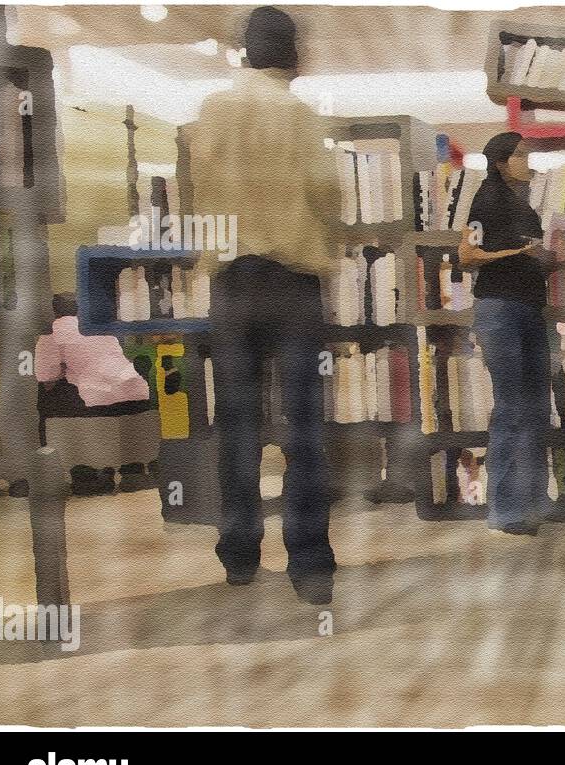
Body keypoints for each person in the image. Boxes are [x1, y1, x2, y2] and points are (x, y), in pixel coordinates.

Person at [186, 6, 340, 604]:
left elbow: (199, 190)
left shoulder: (211, 111)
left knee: (238, 427)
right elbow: (327, 193)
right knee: (304, 428)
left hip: (232, 285)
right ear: (293, 55)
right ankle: (309, 564)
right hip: (292, 282)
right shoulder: (299, 114)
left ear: (245, 52)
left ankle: (239, 553)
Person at [458, 132, 561, 535]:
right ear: (501, 161)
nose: (527, 159)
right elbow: (467, 255)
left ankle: (533, 502)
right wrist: (518, 253)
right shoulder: (487, 198)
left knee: (536, 407)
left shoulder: (522, 203)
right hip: (500, 310)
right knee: (512, 408)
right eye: (520, 154)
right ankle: (505, 509)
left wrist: (554, 259)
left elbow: (524, 259)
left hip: (527, 308)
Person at [35, 293, 154, 495]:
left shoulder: (53, 334)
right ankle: (134, 470)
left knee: (45, 394)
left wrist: (64, 369)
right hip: (135, 394)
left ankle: (83, 471)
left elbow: (47, 378)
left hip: (91, 401)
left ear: (54, 311)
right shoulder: (101, 327)